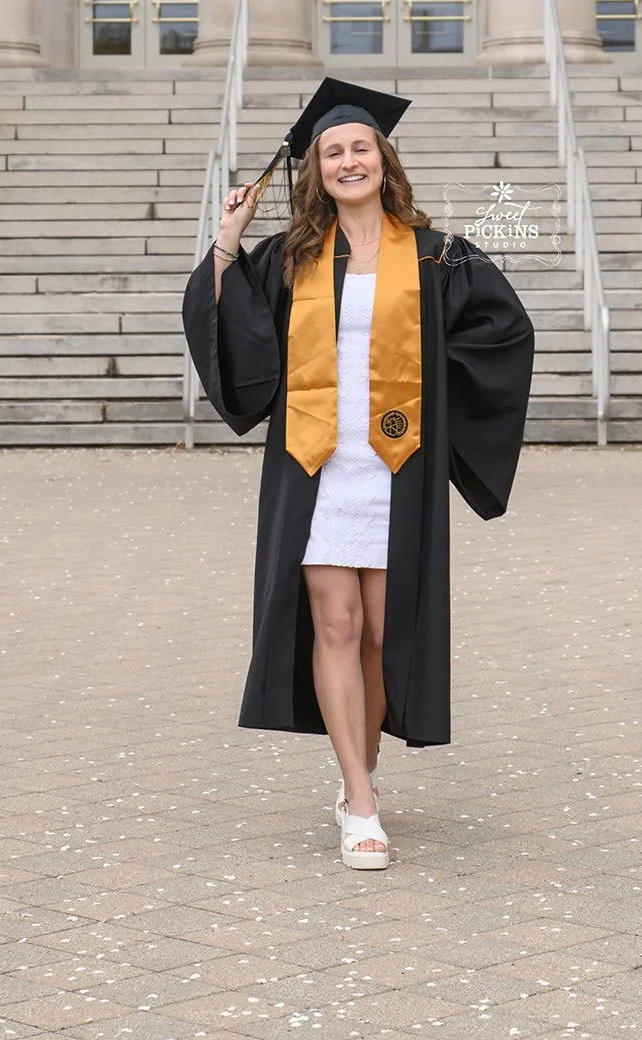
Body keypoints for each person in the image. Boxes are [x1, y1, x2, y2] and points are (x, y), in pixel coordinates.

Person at [181, 78, 535, 871]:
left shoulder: (439, 253)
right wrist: (228, 239)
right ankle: (361, 805)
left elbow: (503, 334)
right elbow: (222, 323)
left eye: (360, 149)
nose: (348, 161)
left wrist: (440, 399)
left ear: (383, 159)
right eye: (333, 151)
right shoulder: (290, 256)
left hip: (394, 465)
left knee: (380, 633)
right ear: (315, 170)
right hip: (315, 466)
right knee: (334, 624)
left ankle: (357, 774)